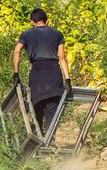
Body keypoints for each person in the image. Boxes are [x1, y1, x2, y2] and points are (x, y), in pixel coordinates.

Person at [12, 8, 69, 137]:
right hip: (54, 73)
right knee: (52, 110)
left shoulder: (26, 35)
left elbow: (17, 52)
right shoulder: (57, 34)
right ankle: (50, 141)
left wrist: (16, 74)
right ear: (46, 21)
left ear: (32, 21)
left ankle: (39, 139)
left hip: (37, 74)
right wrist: (67, 79)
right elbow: (62, 57)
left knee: (37, 107)